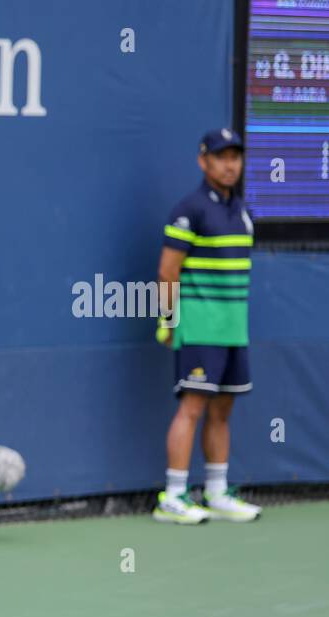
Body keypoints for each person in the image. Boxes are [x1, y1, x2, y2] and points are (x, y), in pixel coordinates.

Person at [153, 128, 262, 525]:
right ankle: (174, 496)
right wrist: (168, 320)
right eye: (221, 157)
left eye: (235, 156)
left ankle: (215, 492)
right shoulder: (189, 210)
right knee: (192, 408)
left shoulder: (242, 211)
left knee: (222, 412)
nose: (230, 164)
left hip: (234, 329)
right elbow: (167, 271)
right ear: (204, 161)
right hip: (199, 327)